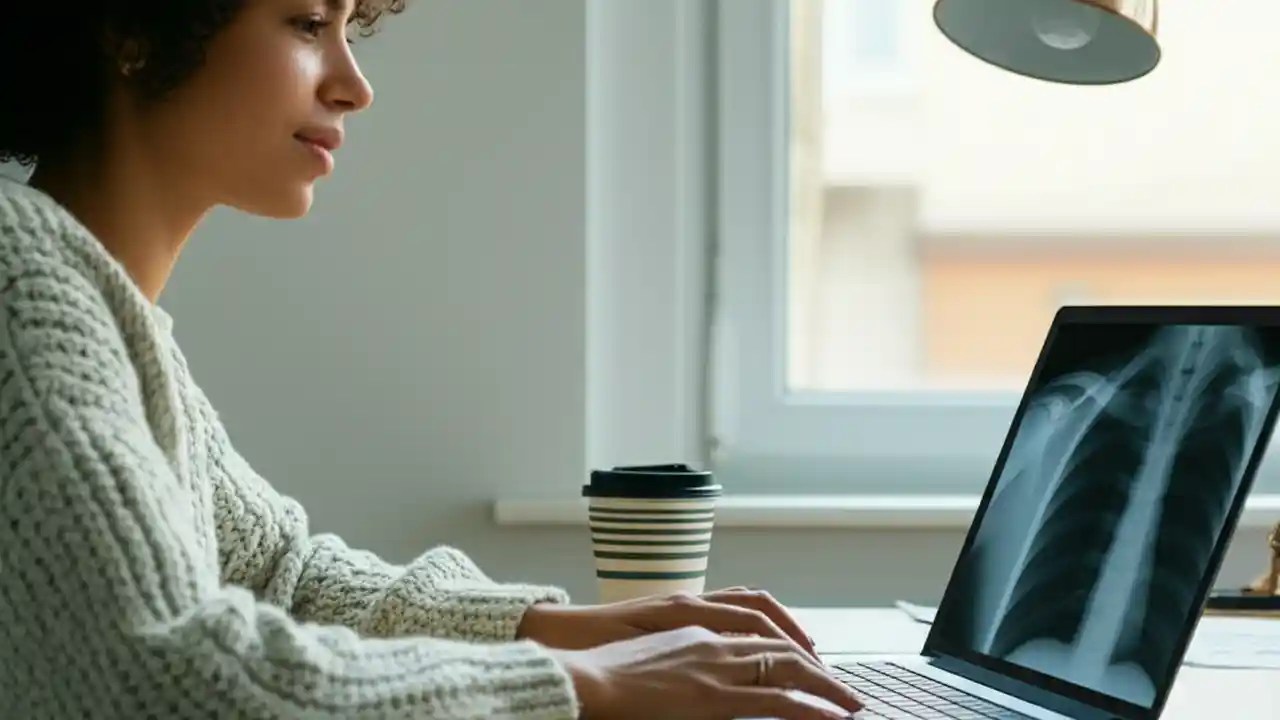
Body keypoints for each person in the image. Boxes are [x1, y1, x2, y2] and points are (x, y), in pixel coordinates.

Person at [0, 2, 864, 718]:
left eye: (349, 26)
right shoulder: (21, 280)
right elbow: (164, 678)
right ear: (132, 26)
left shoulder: (92, 303)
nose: (354, 85)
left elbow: (280, 577)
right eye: (306, 23)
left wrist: (576, 629)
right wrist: (584, 685)